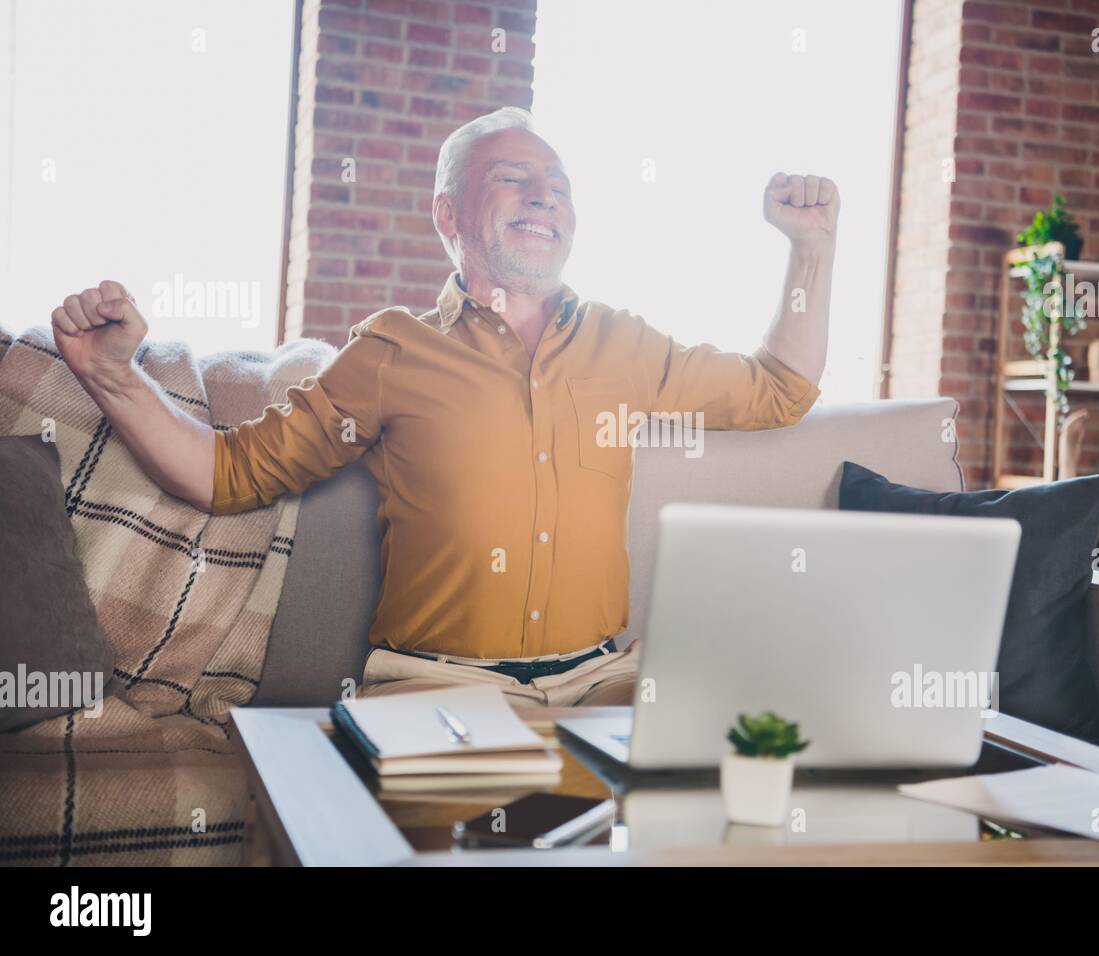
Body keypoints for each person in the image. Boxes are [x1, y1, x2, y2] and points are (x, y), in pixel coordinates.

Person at [49, 107, 838, 707]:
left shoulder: (624, 344)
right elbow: (227, 474)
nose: (544, 197)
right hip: (435, 689)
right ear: (448, 216)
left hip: (604, 685)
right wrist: (113, 377)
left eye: (558, 187)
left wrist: (811, 247)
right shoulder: (392, 352)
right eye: (512, 179)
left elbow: (781, 388)